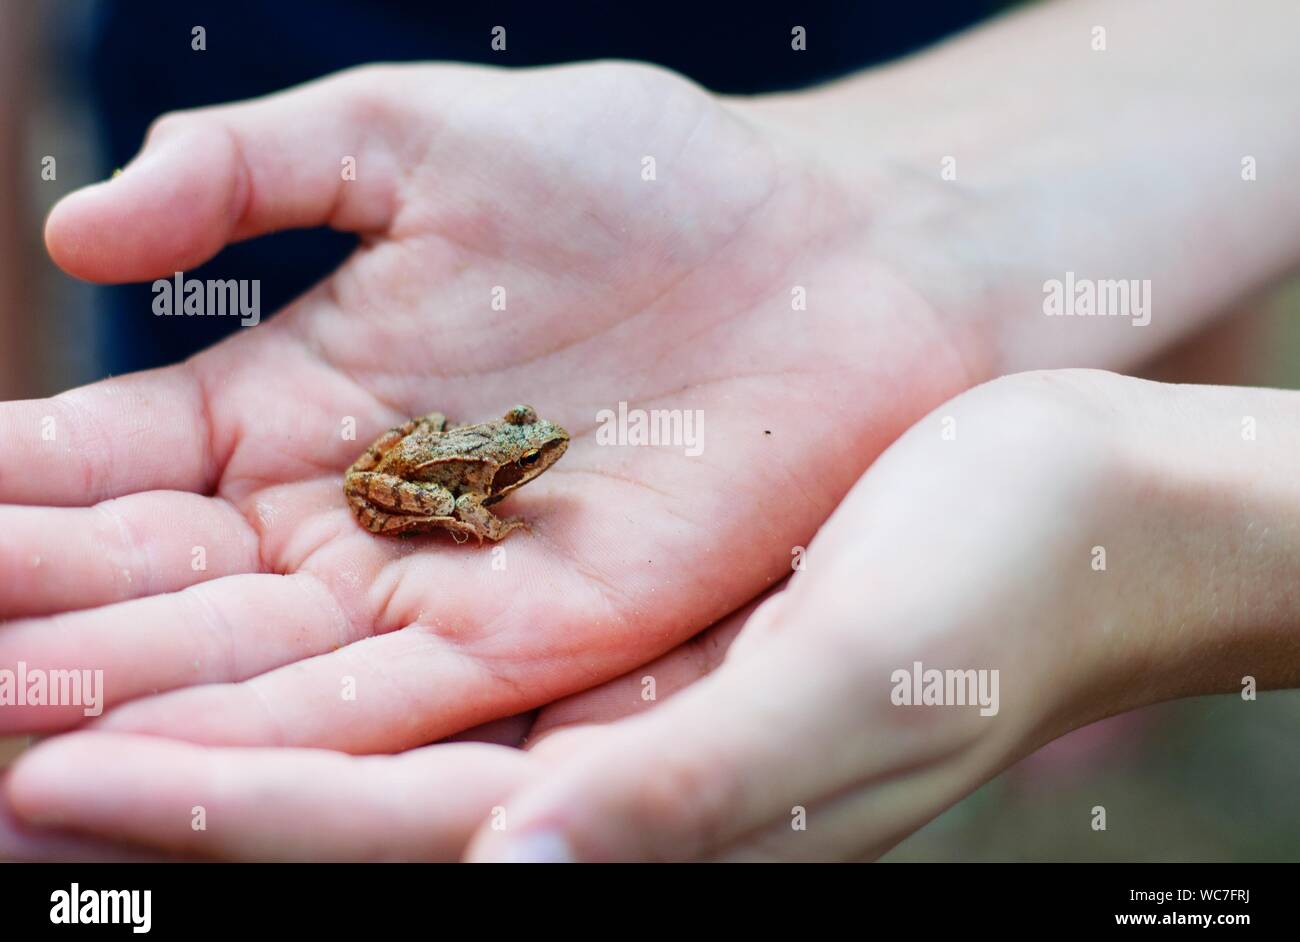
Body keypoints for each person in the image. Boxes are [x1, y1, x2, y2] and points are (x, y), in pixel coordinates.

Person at [2, 0, 1299, 860]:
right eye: (531, 457)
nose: (540, 462)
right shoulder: (480, 469)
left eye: (531, 453)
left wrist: (1159, 518)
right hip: (279, 269)